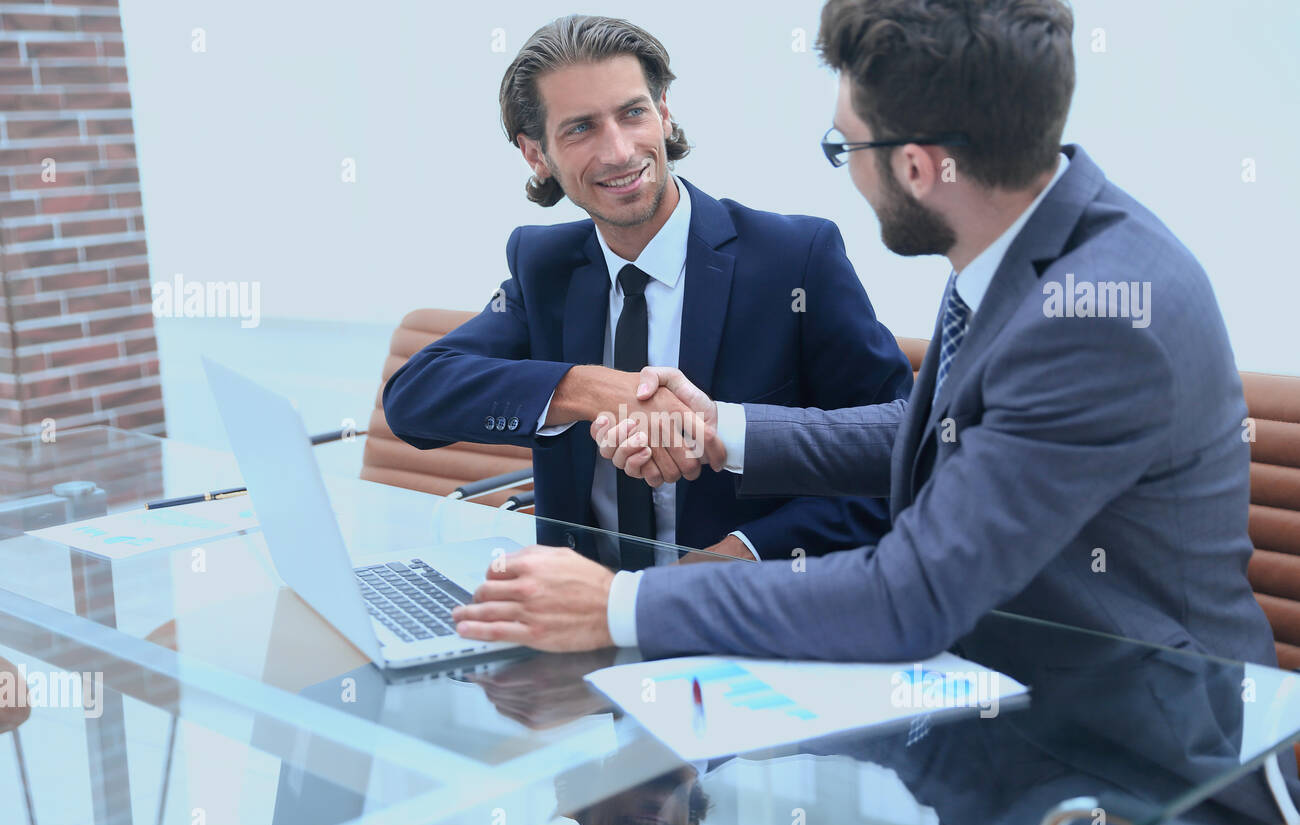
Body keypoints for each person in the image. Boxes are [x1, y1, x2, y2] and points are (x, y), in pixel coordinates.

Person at [451, 0, 1277, 670]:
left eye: (842, 144)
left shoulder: (1094, 319)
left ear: (917, 168)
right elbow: (925, 433)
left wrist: (618, 604)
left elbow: (908, 597)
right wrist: (723, 430)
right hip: (990, 696)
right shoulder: (1035, 244)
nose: (843, 167)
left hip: (1131, 747)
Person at [383, 15, 911, 570]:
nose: (618, 151)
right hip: (581, 614)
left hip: (744, 610)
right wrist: (590, 389)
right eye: (580, 128)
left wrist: (739, 556)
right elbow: (415, 398)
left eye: (633, 113)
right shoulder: (546, 266)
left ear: (663, 112)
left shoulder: (795, 258)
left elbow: (897, 462)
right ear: (536, 155)